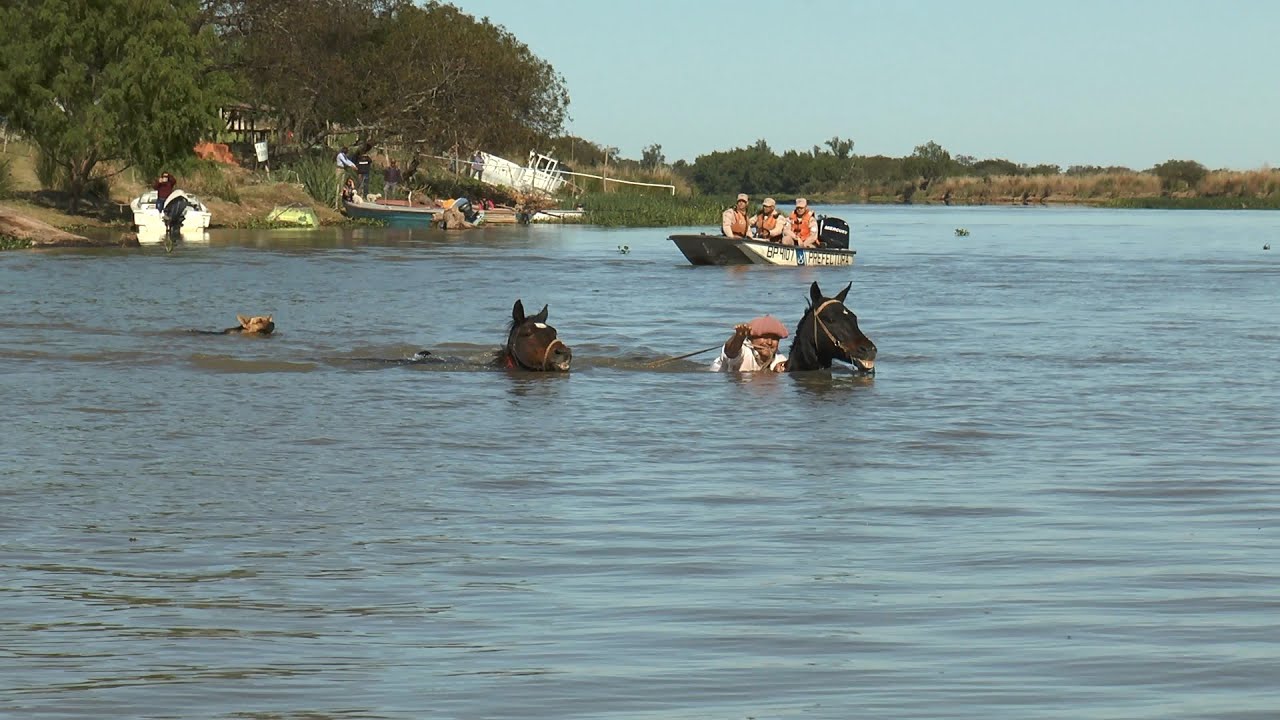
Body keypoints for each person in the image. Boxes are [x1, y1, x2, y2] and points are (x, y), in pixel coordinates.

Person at [709, 315, 789, 373]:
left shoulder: (779, 358)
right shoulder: (743, 350)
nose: (769, 342)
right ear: (751, 339)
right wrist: (738, 337)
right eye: (764, 337)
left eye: (774, 338)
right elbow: (730, 352)